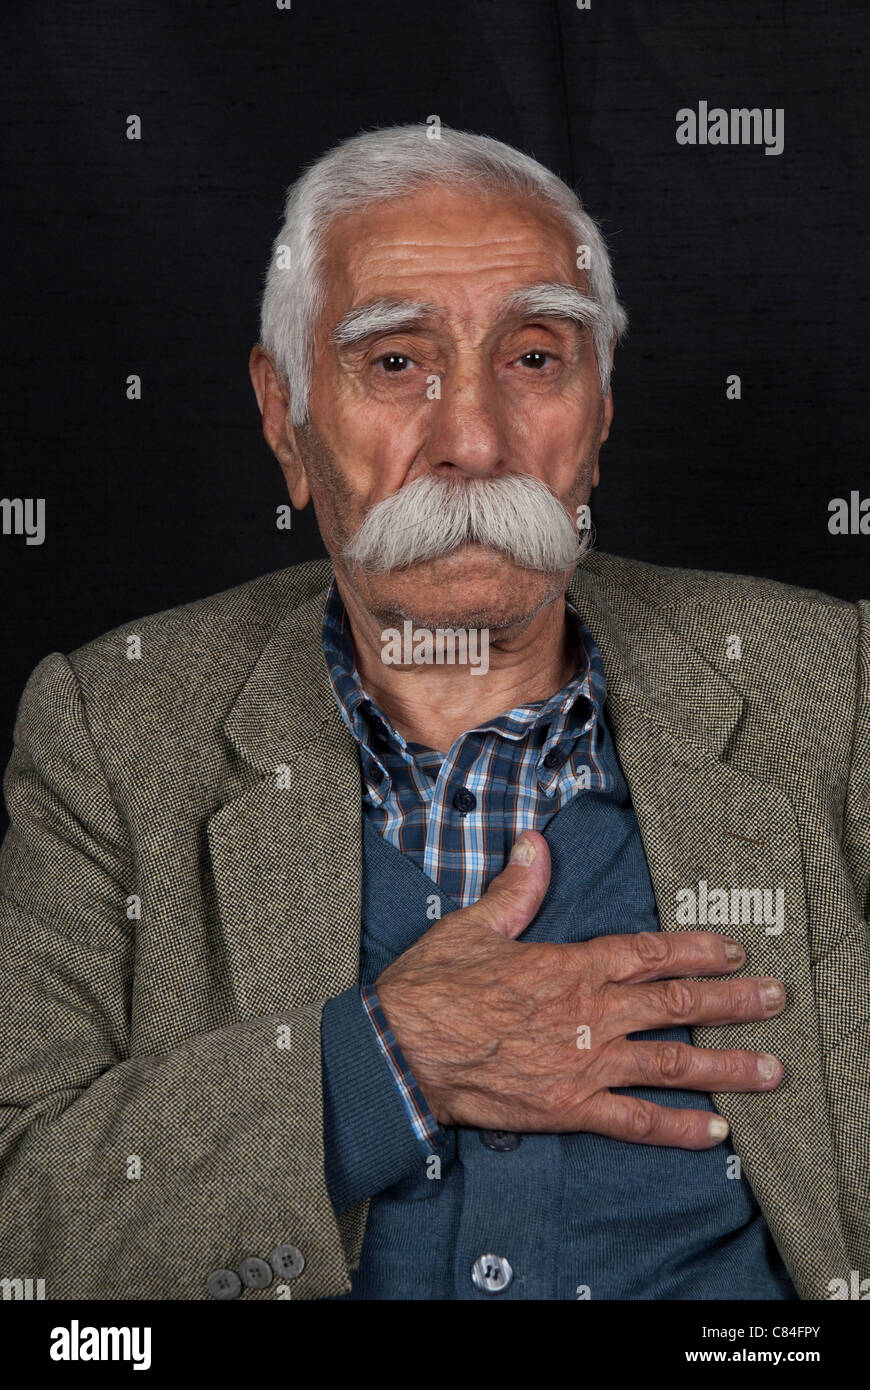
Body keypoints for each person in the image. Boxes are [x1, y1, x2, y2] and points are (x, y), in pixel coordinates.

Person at [0, 125, 866, 1301]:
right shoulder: (111, 731)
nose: (472, 440)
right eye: (397, 361)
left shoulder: (837, 690)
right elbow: (21, 1222)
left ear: (600, 415)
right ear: (283, 414)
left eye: (535, 357)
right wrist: (384, 1062)